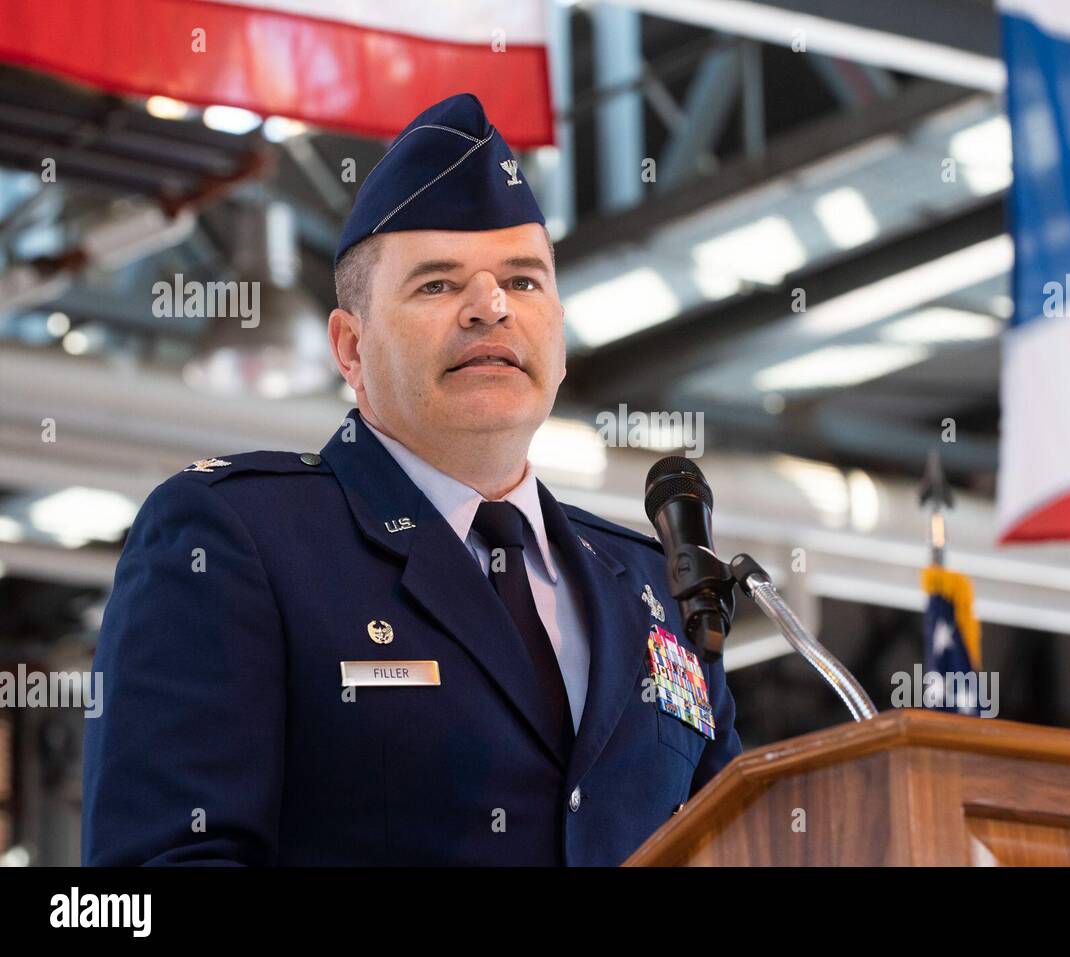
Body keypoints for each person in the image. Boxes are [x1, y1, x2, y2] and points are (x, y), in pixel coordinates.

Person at [81, 92, 742, 866]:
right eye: (437, 284)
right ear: (350, 348)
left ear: (560, 336)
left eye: (524, 282)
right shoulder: (240, 540)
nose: (489, 308)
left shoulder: (659, 587)